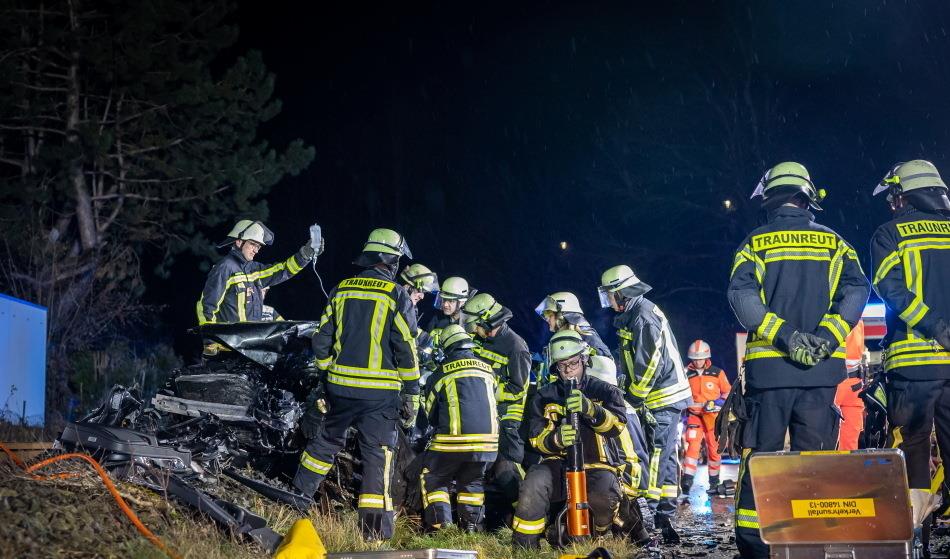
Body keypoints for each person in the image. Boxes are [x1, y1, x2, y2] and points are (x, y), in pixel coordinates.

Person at [729, 162, 869, 559]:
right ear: (807, 199)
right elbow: (856, 292)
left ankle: (756, 549)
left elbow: (742, 298)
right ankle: (811, 545)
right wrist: (826, 337)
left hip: (770, 374)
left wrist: (785, 336)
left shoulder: (755, 243)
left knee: (762, 462)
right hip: (820, 375)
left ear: (771, 200)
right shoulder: (836, 243)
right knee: (816, 464)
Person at [291, 228, 420, 542]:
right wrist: (412, 392)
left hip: (340, 389)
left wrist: (326, 377)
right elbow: (406, 347)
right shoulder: (396, 294)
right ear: (390, 260)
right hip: (379, 396)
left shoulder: (342, 289)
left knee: (323, 444)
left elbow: (321, 339)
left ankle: (294, 502)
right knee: (378, 457)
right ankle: (373, 534)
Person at [870, 160, 950, 532]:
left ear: (907, 195)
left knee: (912, 445)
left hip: (914, 362)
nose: (892, 204)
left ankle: (917, 532)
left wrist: (935, 326)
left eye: (893, 196)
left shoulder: (890, 233)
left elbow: (890, 289)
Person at [598, 264, 691, 543]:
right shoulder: (633, 313)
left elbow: (650, 363)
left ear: (621, 293)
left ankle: (648, 513)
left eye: (609, 295)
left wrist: (635, 397)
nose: (608, 301)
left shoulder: (643, 316)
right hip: (660, 395)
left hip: (662, 397)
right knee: (667, 455)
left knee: (658, 453)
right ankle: (665, 511)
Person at [511, 330, 627, 549]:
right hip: (558, 464)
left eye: (573, 363)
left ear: (584, 359)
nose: (568, 370)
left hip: (597, 464)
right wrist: (556, 439)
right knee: (534, 482)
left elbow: (616, 426)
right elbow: (536, 438)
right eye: (562, 365)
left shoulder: (605, 391)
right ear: (555, 367)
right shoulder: (544, 396)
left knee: (604, 496)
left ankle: (596, 538)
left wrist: (591, 409)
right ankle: (525, 546)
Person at [536, 291, 651, 498]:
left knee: (626, 457)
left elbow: (605, 368)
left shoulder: (580, 335)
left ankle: (636, 505)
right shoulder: (574, 334)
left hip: (602, 405)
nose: (548, 321)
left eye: (550, 315)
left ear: (562, 314)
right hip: (590, 404)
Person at [419, 324, 498, 532]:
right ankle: (471, 528)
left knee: (433, 477)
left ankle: (441, 528)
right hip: (488, 445)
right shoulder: (488, 369)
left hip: (452, 442)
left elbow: (430, 413)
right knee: (472, 483)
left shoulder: (441, 373)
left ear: (447, 347)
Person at [461, 292, 531, 529]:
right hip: (482, 412)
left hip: (507, 418)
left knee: (506, 469)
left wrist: (484, 388)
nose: (473, 329)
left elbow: (517, 390)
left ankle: (528, 518)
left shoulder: (516, 347)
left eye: (475, 324)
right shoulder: (479, 339)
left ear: (488, 321)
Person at [196, 220, 320, 352]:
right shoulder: (225, 268)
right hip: (229, 349)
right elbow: (206, 306)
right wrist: (211, 342)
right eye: (253, 244)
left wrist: (304, 256)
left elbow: (282, 271)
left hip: (251, 350)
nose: (256, 250)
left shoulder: (254, 270)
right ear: (239, 242)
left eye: (258, 246)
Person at [681, 340, 731, 494]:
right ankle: (687, 480)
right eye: (695, 359)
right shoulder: (685, 375)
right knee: (692, 446)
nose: (697, 362)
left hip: (712, 417)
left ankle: (714, 483)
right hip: (694, 417)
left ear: (707, 357)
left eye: (700, 359)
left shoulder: (717, 373)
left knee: (714, 449)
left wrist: (717, 402)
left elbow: (727, 392)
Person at [835, 320, 866, 451]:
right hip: (832, 382)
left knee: (850, 445)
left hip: (853, 384)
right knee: (825, 443)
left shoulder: (858, 317)